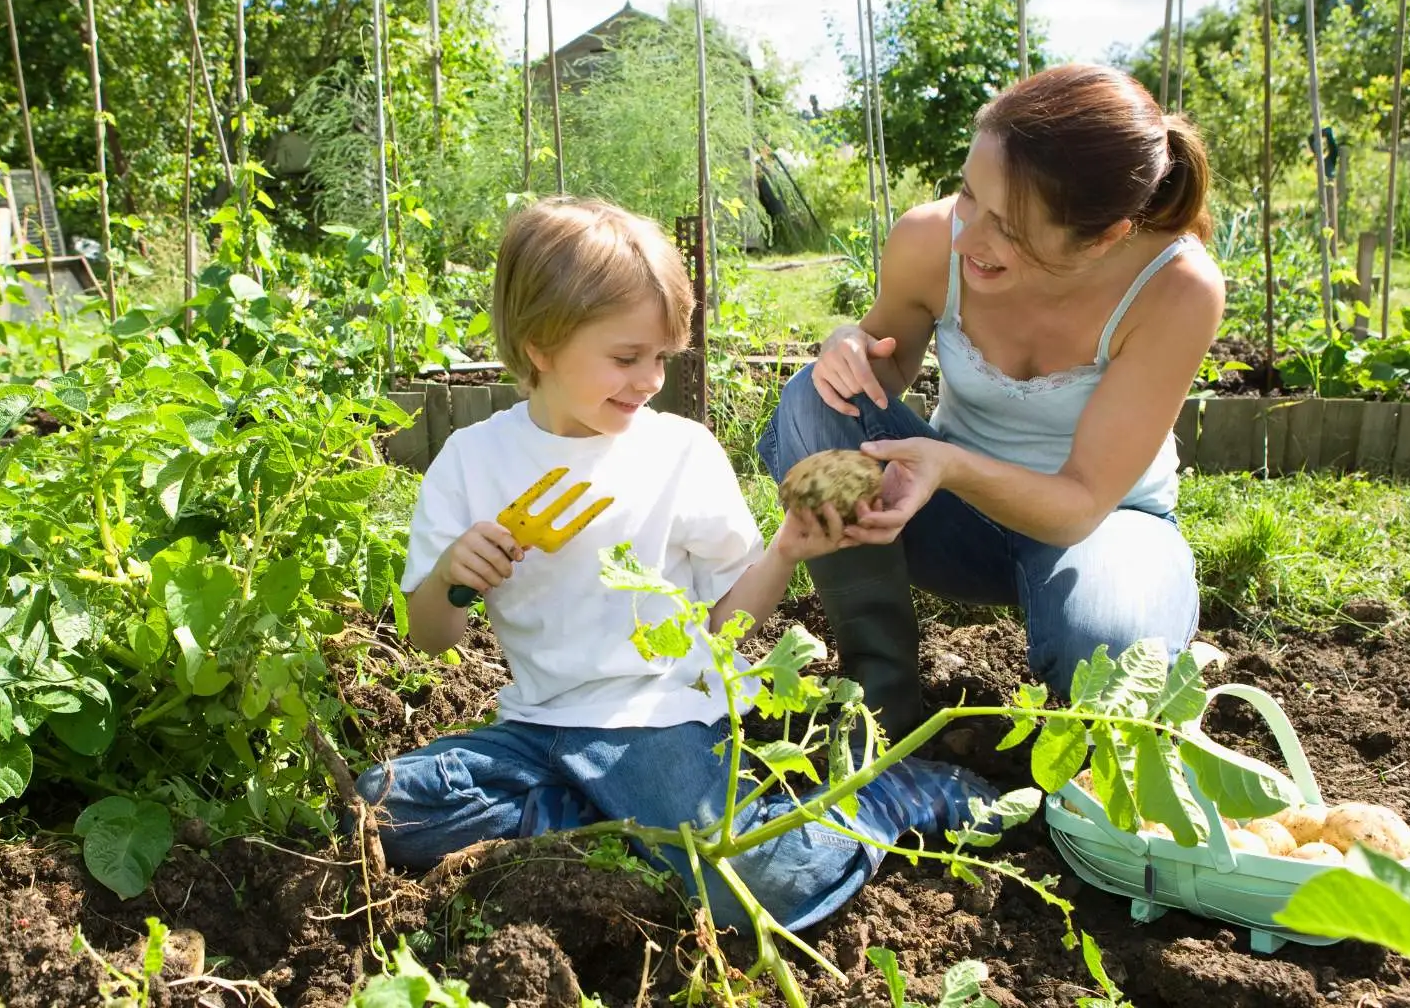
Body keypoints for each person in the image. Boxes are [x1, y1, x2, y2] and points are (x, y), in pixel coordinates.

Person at [355, 196, 995, 934]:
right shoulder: (473, 460)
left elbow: (723, 626)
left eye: (661, 357)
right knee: (380, 808)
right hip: (537, 728)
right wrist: (450, 578)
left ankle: (886, 798)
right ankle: (602, 823)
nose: (651, 379)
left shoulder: (678, 453)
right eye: (626, 358)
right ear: (540, 346)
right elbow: (430, 637)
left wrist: (785, 549)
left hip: (656, 720)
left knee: (757, 888)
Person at [758, 63, 1224, 738]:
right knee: (815, 397)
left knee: (1115, 657)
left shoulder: (1175, 288)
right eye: (968, 195)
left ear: (1104, 237)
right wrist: (847, 345)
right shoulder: (929, 240)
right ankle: (878, 694)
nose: (967, 236)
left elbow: (1081, 504)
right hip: (952, 519)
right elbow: (881, 365)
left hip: (1103, 524)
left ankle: (1092, 712)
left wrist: (951, 466)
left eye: (1009, 227)